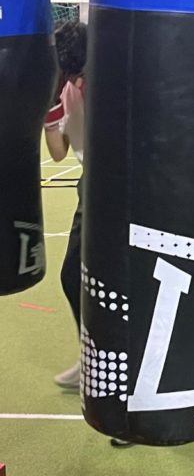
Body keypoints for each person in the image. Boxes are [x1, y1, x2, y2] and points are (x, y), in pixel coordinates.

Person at [44, 21, 87, 389]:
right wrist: (45, 115)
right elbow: (58, 154)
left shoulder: (108, 85)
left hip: (121, 187)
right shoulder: (64, 91)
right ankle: (90, 357)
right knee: (72, 276)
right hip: (91, 189)